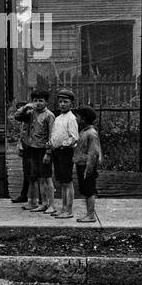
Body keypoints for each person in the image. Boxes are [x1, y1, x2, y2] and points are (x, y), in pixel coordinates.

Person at [14, 89, 55, 213]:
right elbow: (17, 117)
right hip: (30, 148)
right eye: (35, 100)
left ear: (46, 102)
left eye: (41, 100)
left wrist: (48, 152)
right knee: (32, 176)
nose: (38, 103)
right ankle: (32, 201)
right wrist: (26, 107)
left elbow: (51, 135)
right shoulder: (30, 113)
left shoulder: (49, 115)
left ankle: (48, 203)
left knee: (44, 177)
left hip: (42, 149)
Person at [49, 89, 80, 219]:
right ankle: (63, 208)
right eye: (60, 102)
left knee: (67, 182)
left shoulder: (71, 118)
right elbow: (55, 134)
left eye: (65, 102)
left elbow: (74, 137)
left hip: (66, 152)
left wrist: (63, 144)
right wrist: (51, 143)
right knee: (61, 182)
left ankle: (69, 210)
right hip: (57, 152)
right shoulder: (58, 118)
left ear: (71, 103)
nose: (62, 104)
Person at [74, 106, 102, 224]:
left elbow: (94, 153)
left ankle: (91, 215)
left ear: (84, 119)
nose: (76, 118)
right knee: (85, 190)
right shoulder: (84, 131)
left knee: (89, 191)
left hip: (87, 166)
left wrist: (89, 169)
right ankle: (88, 213)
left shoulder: (91, 133)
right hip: (81, 164)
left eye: (78, 116)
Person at [10, 100, 31, 203]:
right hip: (26, 147)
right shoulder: (23, 121)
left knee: (36, 175)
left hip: (34, 147)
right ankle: (24, 195)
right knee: (27, 173)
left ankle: (41, 197)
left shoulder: (31, 117)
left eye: (21, 108)